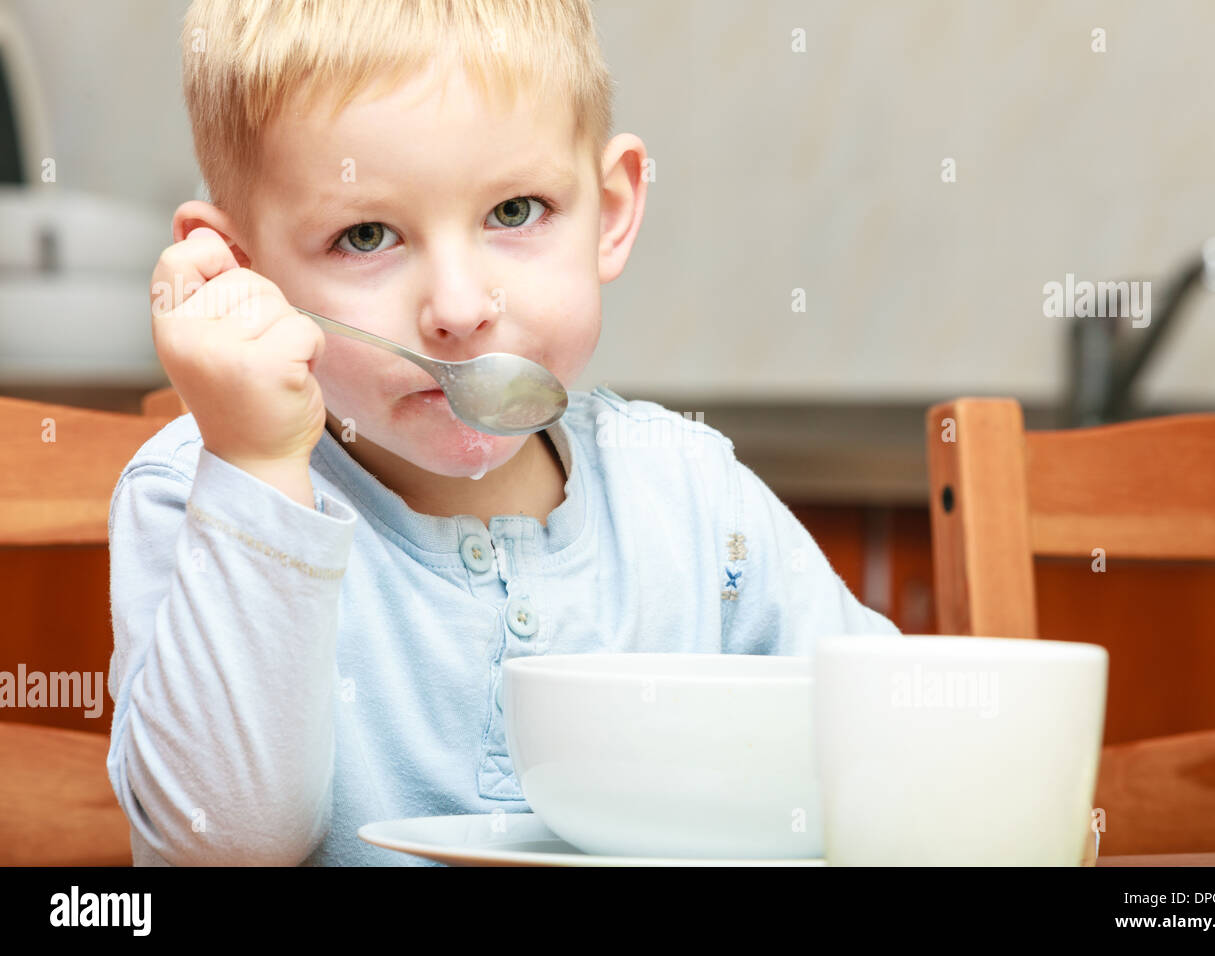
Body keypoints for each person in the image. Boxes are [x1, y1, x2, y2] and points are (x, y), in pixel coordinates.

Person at [107, 0, 900, 866]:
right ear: (243, 274)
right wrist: (254, 462)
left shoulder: (690, 492)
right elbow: (228, 848)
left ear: (610, 209)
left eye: (516, 212)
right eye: (365, 235)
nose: (457, 309)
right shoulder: (196, 495)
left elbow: (896, 747)